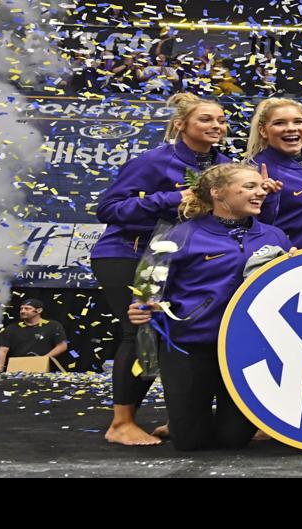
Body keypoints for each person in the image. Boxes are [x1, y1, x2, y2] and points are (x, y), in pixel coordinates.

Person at [89, 93, 234, 446]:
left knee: (182, 331)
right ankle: (121, 423)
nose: (216, 125)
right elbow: (108, 208)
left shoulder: (225, 165)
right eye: (205, 119)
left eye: (220, 120)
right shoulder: (153, 161)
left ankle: (181, 417)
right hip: (128, 254)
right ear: (180, 124)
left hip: (181, 258)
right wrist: (171, 198)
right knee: (140, 331)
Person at [125, 163, 291, 452]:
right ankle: (182, 422)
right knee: (191, 442)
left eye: (261, 186)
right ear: (217, 192)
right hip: (190, 345)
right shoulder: (180, 235)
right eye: (249, 186)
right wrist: (140, 307)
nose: (261, 192)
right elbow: (149, 286)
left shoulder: (274, 236)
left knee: (233, 440)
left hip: (246, 348)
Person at [246, 97, 302, 250]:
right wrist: (266, 201)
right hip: (280, 257)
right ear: (263, 131)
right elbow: (248, 226)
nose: (291, 128)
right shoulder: (256, 170)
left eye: (298, 121)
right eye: (279, 123)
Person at [0, 300, 70, 372]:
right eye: (21, 308)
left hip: (43, 368)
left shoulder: (53, 325)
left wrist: (43, 359)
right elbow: (3, 350)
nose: (22, 311)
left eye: (27, 308)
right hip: (17, 368)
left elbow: (62, 346)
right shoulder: (11, 328)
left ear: (39, 310)